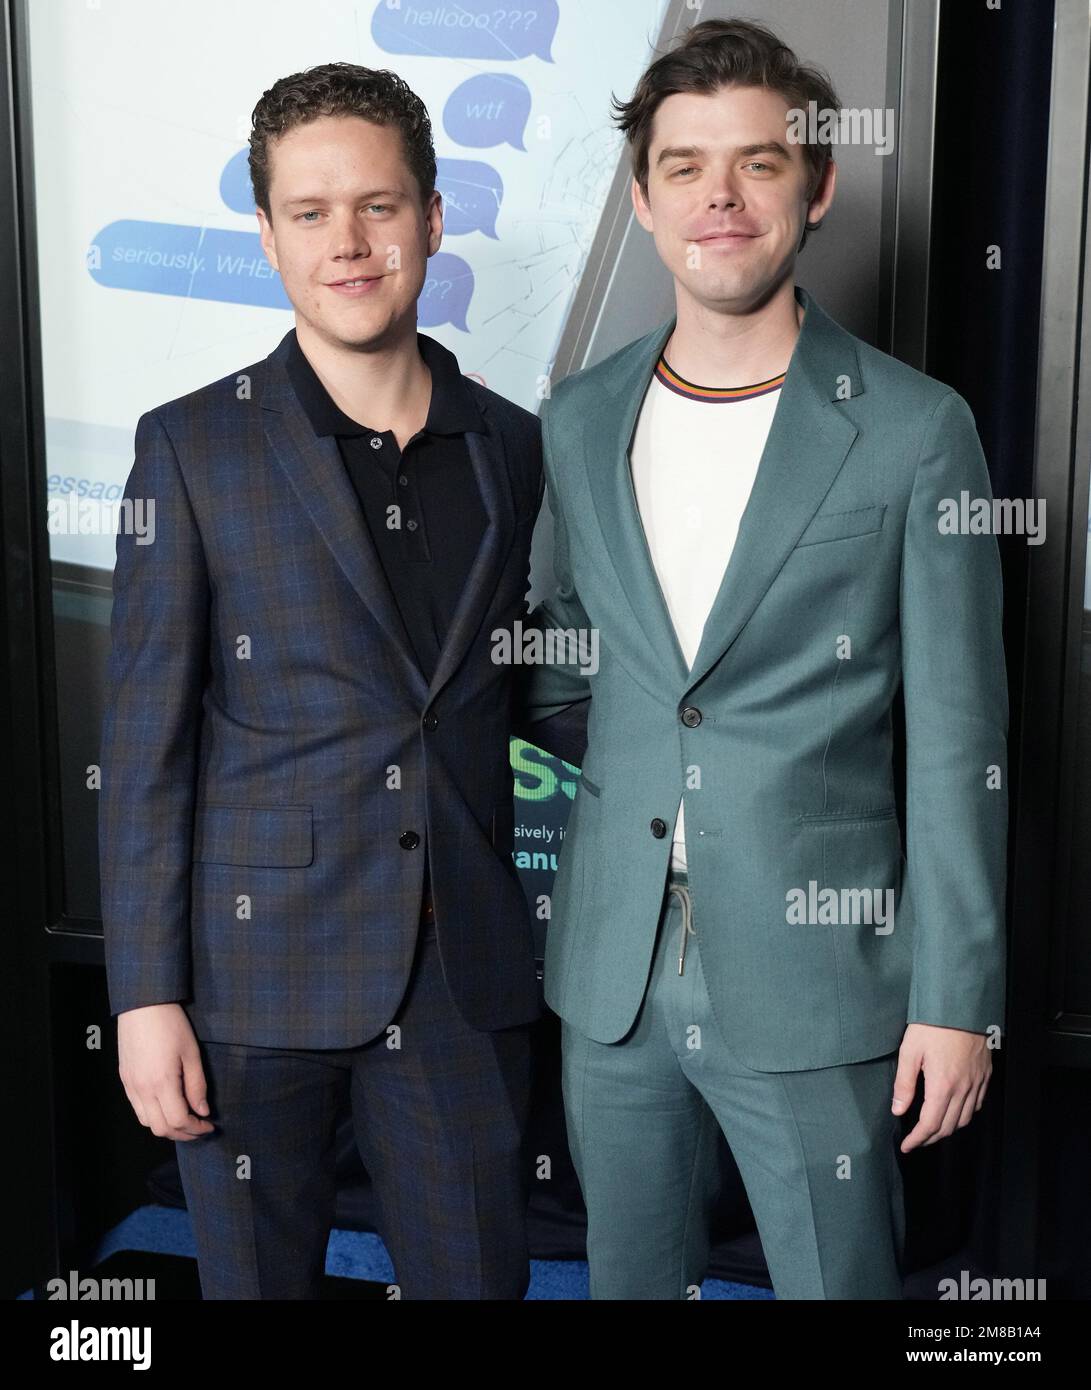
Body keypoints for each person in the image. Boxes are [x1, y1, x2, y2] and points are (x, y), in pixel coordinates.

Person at [517, 18, 1008, 1300]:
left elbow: (960, 745)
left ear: (818, 185)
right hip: (611, 971)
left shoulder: (912, 430)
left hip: (820, 974)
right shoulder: (576, 420)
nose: (718, 198)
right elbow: (566, 667)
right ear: (641, 197)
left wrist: (957, 1000)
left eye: (756, 163)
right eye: (682, 166)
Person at [99, 62, 552, 1300]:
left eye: (377, 206)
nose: (347, 242)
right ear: (266, 234)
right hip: (250, 985)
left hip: (462, 979)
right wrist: (144, 999)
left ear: (433, 218)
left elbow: (536, 684)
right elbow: (143, 749)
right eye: (309, 213)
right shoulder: (190, 445)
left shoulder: (514, 444)